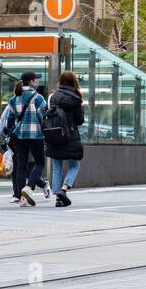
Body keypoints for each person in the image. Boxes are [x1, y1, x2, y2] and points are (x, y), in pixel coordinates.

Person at [0, 71, 49, 206]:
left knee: (21, 166)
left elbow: (9, 122)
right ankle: (28, 188)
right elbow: (44, 115)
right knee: (39, 163)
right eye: (35, 80)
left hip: (18, 137)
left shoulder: (13, 99)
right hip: (35, 135)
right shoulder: (38, 97)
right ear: (31, 82)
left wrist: (7, 132)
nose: (36, 82)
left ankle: (21, 198)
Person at [44, 71, 85, 207]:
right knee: (74, 165)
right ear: (74, 82)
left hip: (55, 135)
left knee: (57, 166)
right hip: (71, 136)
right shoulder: (76, 98)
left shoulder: (53, 97)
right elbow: (79, 120)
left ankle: (58, 198)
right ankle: (64, 189)